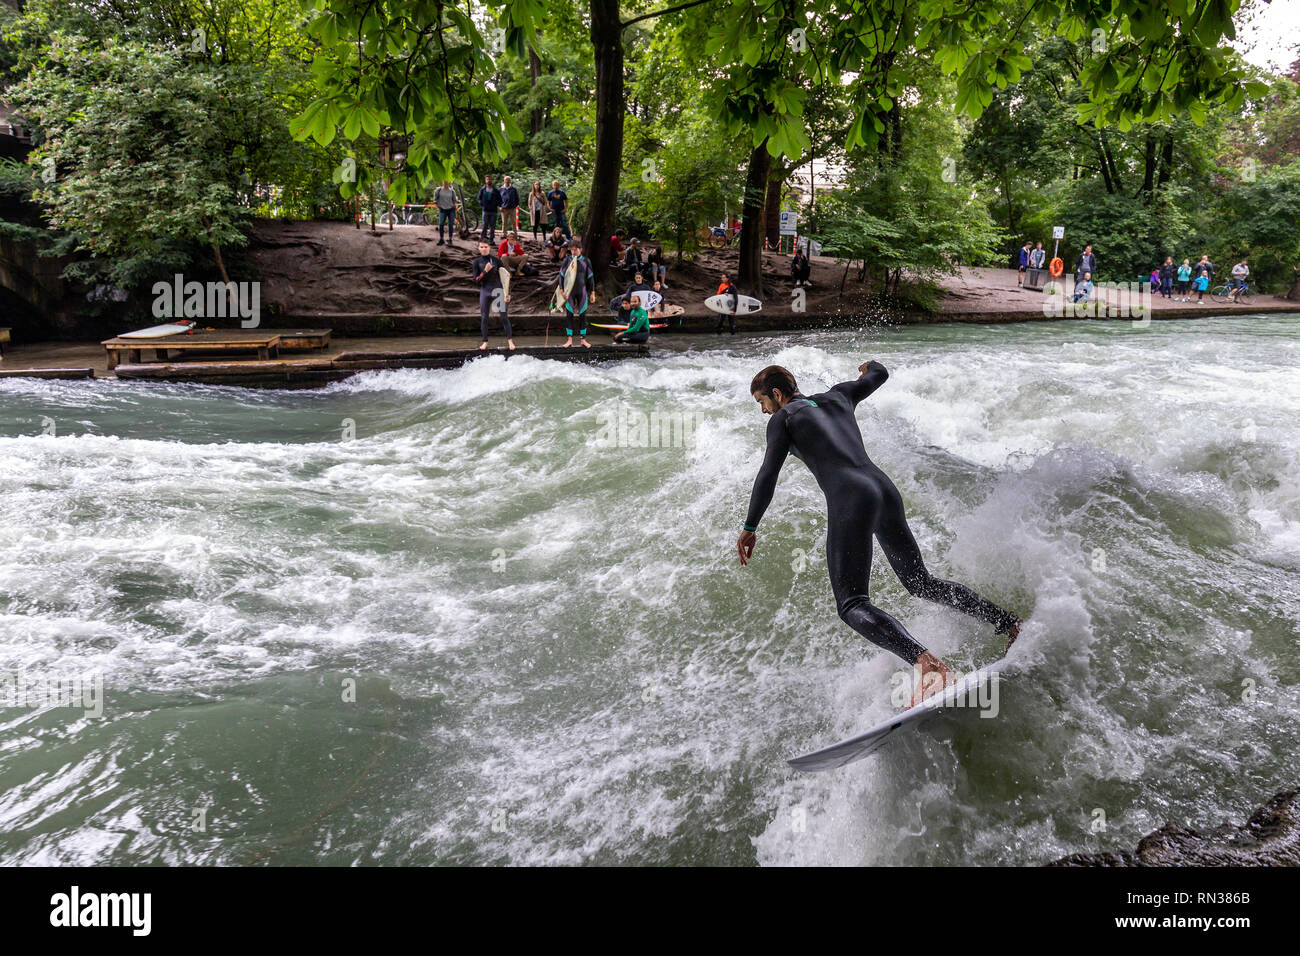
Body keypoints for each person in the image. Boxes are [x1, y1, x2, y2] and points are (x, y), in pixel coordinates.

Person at [737, 363, 1023, 706]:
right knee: (921, 582)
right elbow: (879, 374)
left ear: (778, 394)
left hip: (851, 497)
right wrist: (869, 367)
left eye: (762, 402)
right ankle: (1010, 624)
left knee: (852, 603)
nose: (763, 409)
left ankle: (930, 668)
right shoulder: (839, 396)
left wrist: (750, 527)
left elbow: (768, 474)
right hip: (884, 489)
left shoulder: (782, 420)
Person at [472, 239, 514, 351]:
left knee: (504, 316)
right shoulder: (477, 262)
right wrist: (485, 272)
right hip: (485, 291)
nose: (484, 249)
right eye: (481, 247)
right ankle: (485, 342)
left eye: (486, 247)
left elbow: (505, 277)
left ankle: (510, 341)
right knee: (484, 317)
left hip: (498, 290)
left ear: (489, 248)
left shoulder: (496, 260)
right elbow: (476, 280)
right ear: (479, 248)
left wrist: (508, 292)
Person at [555, 238, 594, 348]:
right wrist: (562, 290)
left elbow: (591, 277)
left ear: (580, 249)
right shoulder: (567, 261)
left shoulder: (586, 261)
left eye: (575, 250)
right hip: (569, 292)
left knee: (583, 315)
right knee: (569, 315)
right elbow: (561, 276)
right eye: (571, 250)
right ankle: (569, 340)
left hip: (582, 291)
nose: (573, 252)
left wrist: (592, 292)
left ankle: (583, 340)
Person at [432, 180, 458, 245]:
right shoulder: (439, 190)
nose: (445, 182)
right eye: (444, 181)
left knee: (451, 224)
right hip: (442, 209)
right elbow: (435, 199)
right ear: (442, 182)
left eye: (447, 181)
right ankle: (441, 239)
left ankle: (450, 239)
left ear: (449, 183)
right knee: (441, 224)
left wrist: (455, 204)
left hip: (451, 209)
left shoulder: (452, 191)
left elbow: (455, 200)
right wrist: (438, 205)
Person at [477, 176, 502, 243]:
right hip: (485, 210)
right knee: (484, 225)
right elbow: (479, 198)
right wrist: (482, 204)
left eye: (490, 179)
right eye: (487, 179)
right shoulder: (482, 189)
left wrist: (498, 205)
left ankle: (491, 239)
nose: (489, 180)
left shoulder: (496, 190)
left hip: (494, 210)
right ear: (485, 180)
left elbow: (500, 199)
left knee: (492, 226)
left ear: (492, 180)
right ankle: (483, 238)